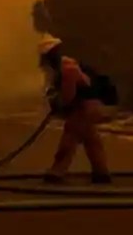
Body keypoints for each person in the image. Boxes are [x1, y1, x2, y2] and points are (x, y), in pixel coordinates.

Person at [38, 35, 112, 184]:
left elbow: (68, 96)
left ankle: (57, 172)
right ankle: (101, 172)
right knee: (91, 140)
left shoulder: (67, 67)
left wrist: (60, 105)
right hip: (89, 107)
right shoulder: (66, 66)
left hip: (85, 108)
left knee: (69, 138)